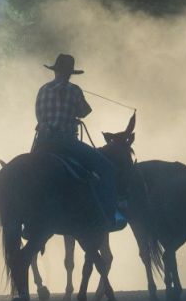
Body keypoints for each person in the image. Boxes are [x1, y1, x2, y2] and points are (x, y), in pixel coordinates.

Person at [32, 54, 124, 230]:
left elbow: (39, 115)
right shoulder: (74, 90)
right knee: (106, 168)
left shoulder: (43, 89)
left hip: (43, 142)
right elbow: (84, 112)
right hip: (66, 142)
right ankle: (110, 214)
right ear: (69, 73)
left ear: (55, 71)